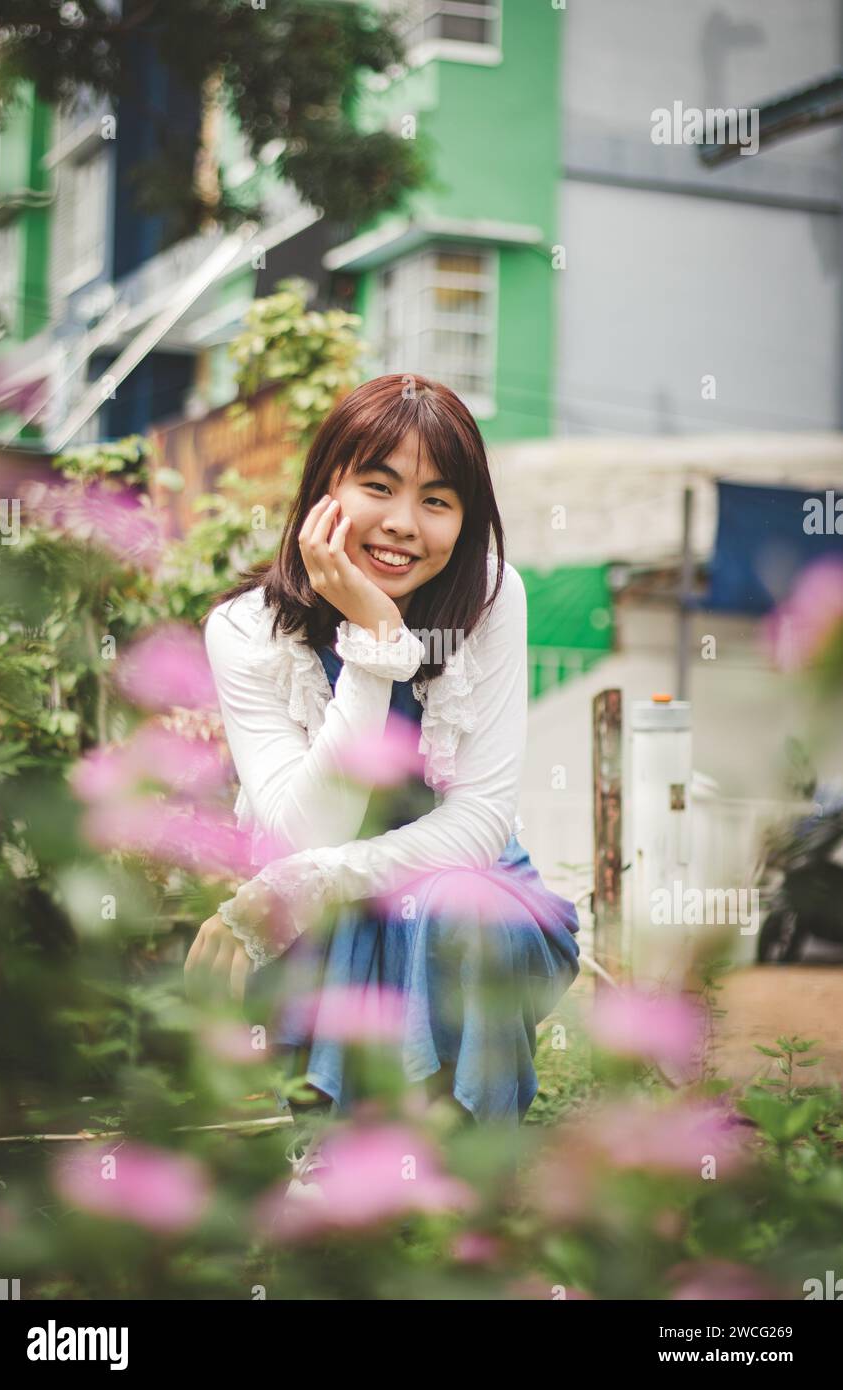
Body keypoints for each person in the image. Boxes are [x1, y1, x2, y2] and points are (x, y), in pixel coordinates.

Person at [184, 373, 581, 1183]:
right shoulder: (245, 632)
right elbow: (305, 833)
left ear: (466, 519)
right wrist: (374, 645)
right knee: (349, 910)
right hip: (317, 912)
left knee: (454, 912)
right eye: (378, 486)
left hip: (460, 892)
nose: (404, 525)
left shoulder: (492, 599)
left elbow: (478, 823)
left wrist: (302, 884)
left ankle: (467, 1177)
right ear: (325, 488)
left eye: (438, 501)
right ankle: (341, 1165)